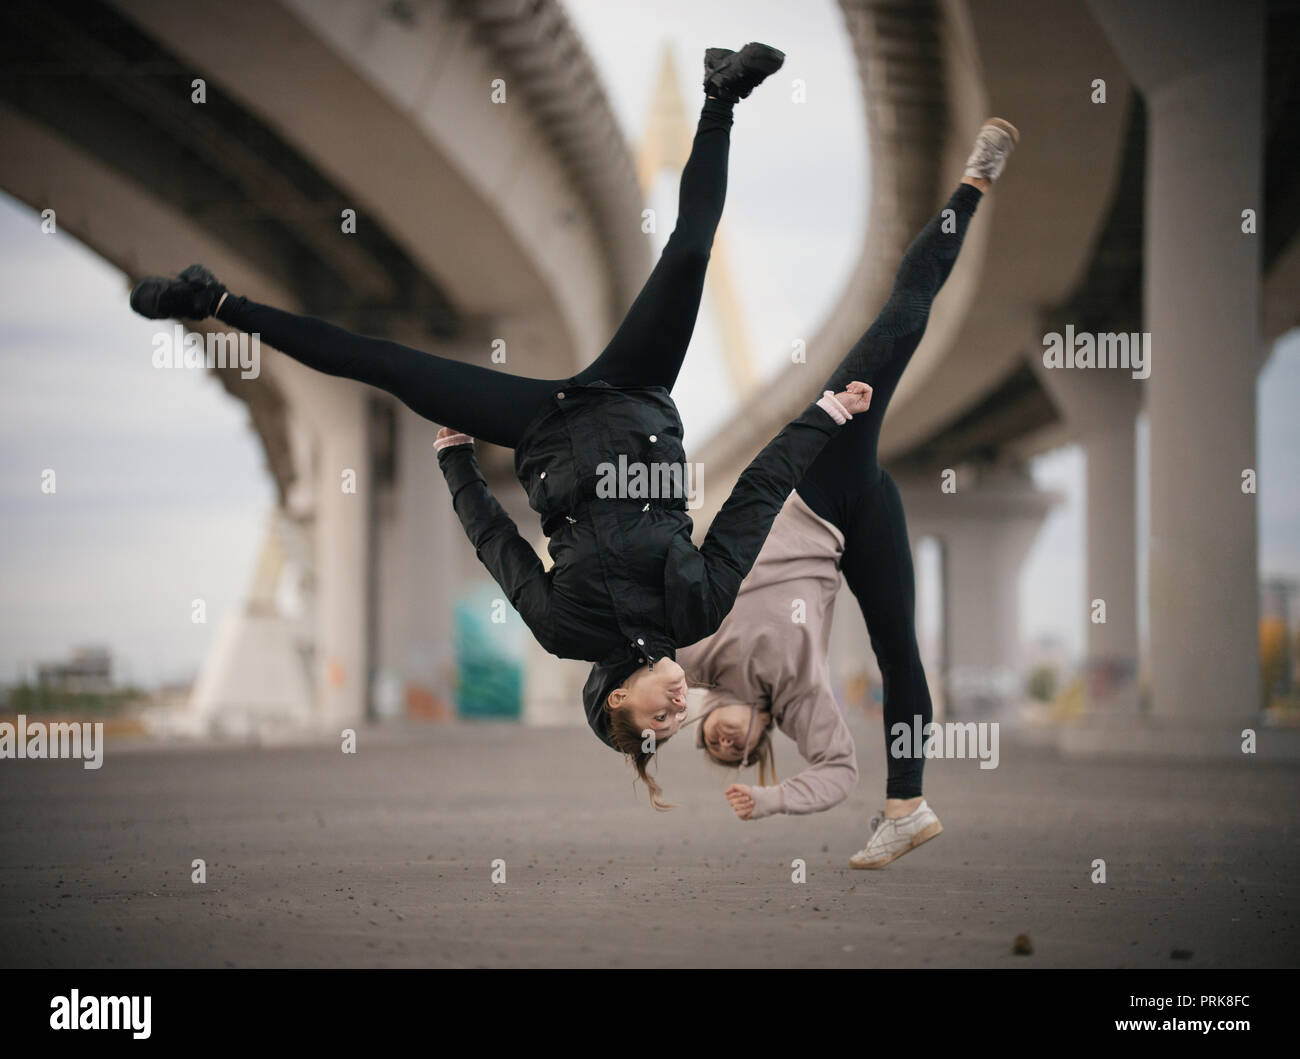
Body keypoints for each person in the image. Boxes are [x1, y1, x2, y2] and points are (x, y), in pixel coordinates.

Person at [128, 44, 870, 780]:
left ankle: (211, 300)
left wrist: (457, 465)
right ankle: (721, 97)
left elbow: (497, 545)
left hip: (541, 426)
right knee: (688, 254)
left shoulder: (562, 629)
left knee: (381, 363)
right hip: (636, 394)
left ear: (616, 699)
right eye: (679, 722)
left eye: (658, 718)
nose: (680, 708)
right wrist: (825, 415)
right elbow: (755, 498)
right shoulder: (697, 609)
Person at [678, 119, 1019, 868]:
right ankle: (907, 807)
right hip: (852, 520)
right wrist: (767, 799)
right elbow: (833, 773)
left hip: (807, 484)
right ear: (763, 737)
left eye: (712, 741)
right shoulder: (801, 704)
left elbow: (626, 652)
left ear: (705, 718)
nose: (725, 744)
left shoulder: (691, 653)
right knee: (901, 650)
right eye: (738, 754)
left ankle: (975, 182)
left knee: (897, 326)